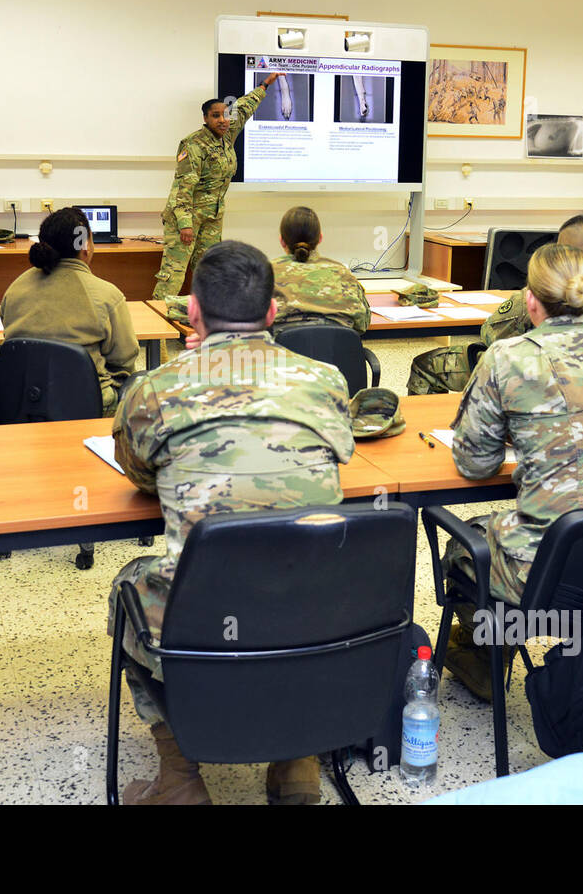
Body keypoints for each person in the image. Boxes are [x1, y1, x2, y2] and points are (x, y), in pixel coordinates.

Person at [109, 241, 354, 805]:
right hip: (317, 603)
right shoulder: (326, 380)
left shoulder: (156, 388)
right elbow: (338, 450)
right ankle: (297, 765)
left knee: (128, 590)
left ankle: (181, 777)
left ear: (191, 311)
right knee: (290, 593)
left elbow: (140, 473)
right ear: (272, 313)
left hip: (205, 608)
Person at [440, 243, 583, 700]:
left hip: (544, 567)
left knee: (461, 546)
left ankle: (486, 657)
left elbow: (474, 462)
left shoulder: (507, 357)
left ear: (530, 301)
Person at [408, 214, 583, 394]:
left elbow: (491, 336)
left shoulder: (538, 293)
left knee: (426, 364)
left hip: (530, 379)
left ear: (557, 253)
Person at [0, 207, 139, 415]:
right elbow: (124, 361)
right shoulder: (107, 296)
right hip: (86, 407)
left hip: (23, 402)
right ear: (85, 246)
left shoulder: (15, 288)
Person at [154, 74, 282, 300]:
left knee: (211, 271)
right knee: (174, 274)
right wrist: (185, 224)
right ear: (205, 118)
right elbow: (183, 187)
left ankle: (205, 318)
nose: (222, 120)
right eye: (215, 116)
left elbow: (244, 107)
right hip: (186, 216)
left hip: (212, 216)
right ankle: (157, 330)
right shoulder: (193, 144)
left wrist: (264, 85)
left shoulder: (227, 134)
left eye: (224, 115)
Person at [270, 205, 371, 334]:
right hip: (336, 352)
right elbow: (362, 322)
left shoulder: (265, 273)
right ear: (320, 238)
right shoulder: (342, 273)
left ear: (282, 241)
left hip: (281, 352)